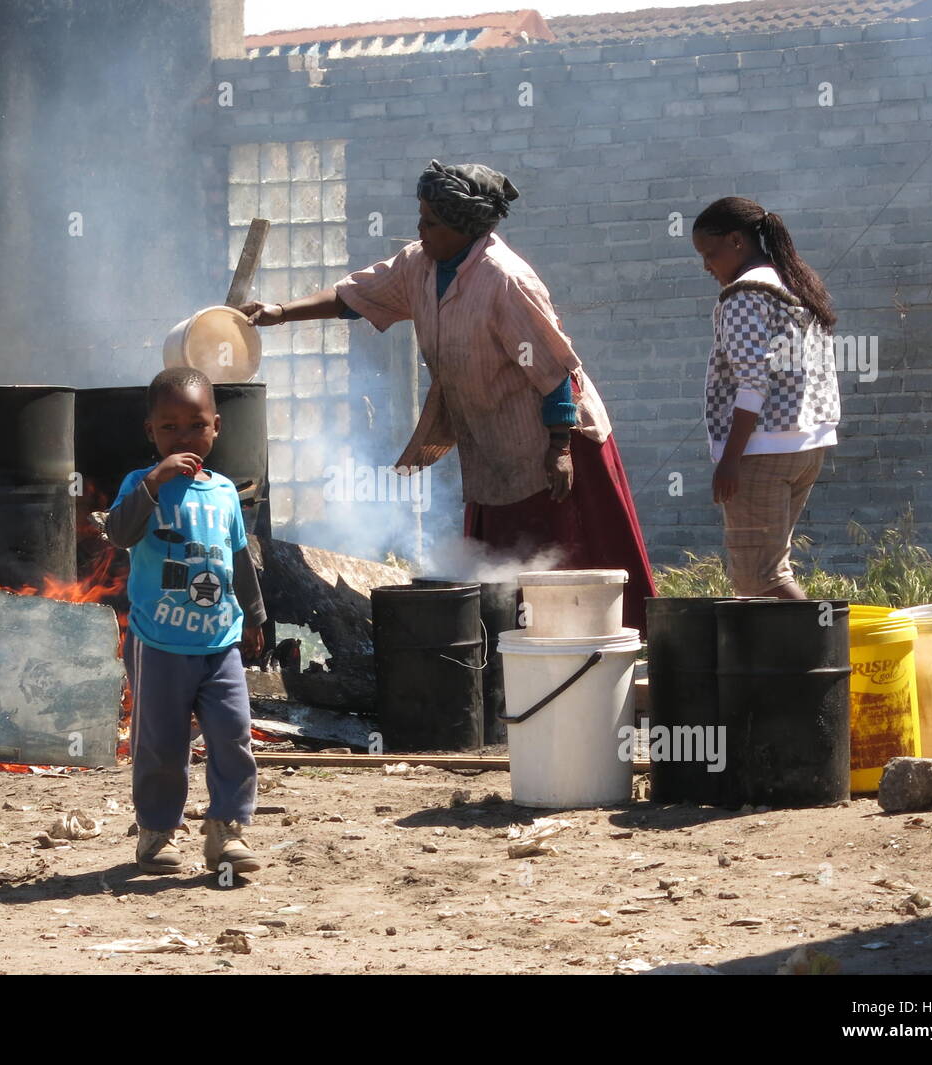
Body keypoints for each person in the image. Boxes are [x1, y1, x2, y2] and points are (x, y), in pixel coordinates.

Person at [241, 159, 656, 633]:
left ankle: (601, 649)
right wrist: (278, 312)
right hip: (493, 440)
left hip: (554, 437)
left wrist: (560, 448)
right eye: (420, 216)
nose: (420, 228)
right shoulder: (419, 264)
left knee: (569, 559)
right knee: (506, 565)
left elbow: (553, 367)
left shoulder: (505, 279)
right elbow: (353, 297)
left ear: (464, 225)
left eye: (431, 222)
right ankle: (510, 652)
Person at [105, 367, 267, 875]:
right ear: (151, 432)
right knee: (160, 742)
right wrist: (153, 483)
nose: (184, 437)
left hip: (219, 641)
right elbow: (118, 533)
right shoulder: (141, 486)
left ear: (216, 426)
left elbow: (238, 557)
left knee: (233, 732)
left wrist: (256, 616)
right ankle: (156, 834)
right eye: (169, 427)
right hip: (160, 643)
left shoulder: (224, 493)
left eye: (195, 425)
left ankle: (227, 831)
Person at [692, 197, 841, 599]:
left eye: (710, 253)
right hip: (805, 445)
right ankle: (783, 662)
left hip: (762, 450)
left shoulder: (744, 295)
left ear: (737, 241)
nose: (707, 266)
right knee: (768, 573)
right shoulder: (794, 283)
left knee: (762, 578)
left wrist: (730, 459)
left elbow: (753, 382)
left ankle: (826, 655)